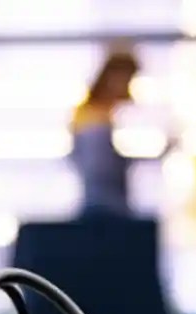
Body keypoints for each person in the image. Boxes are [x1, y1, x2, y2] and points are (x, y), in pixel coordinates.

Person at [71, 49, 140, 215]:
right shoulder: (92, 119)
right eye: (128, 80)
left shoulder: (99, 116)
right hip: (104, 209)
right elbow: (100, 169)